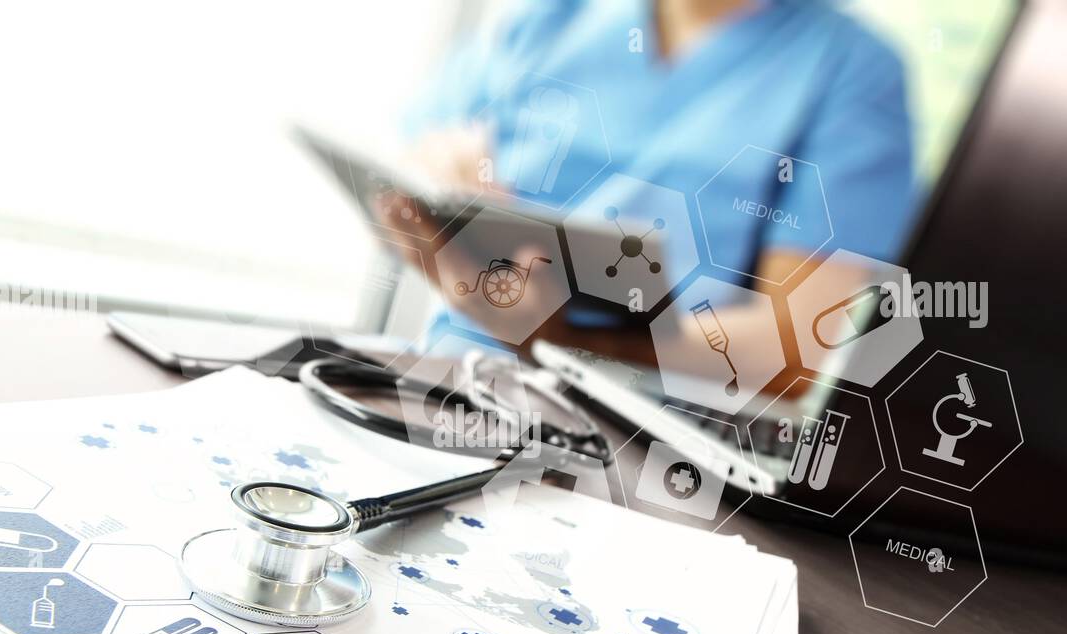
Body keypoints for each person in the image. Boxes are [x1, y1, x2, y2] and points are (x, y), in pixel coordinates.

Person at [390, 0, 916, 370]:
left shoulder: (850, 70)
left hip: (640, 444)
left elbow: (792, 350)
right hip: (451, 376)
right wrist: (444, 187)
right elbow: (420, 158)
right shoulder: (550, 16)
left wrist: (567, 338)